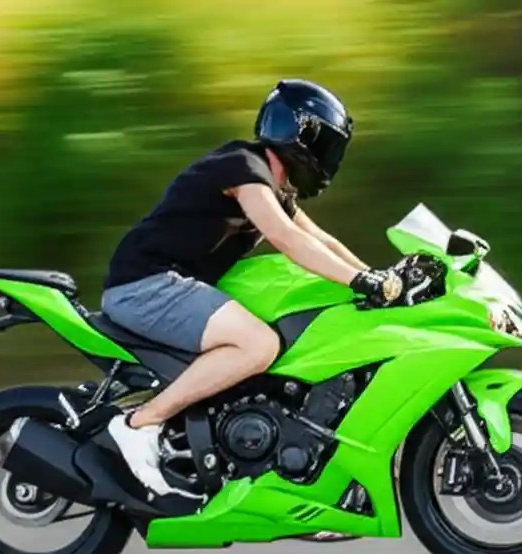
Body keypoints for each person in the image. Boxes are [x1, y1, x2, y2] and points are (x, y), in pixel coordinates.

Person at [99, 78, 402, 497]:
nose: (330, 159)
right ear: (301, 134)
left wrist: (385, 281)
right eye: (328, 145)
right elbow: (288, 240)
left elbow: (323, 242)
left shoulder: (270, 187)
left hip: (170, 286)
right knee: (258, 344)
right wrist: (361, 281)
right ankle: (140, 423)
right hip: (145, 285)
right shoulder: (243, 167)